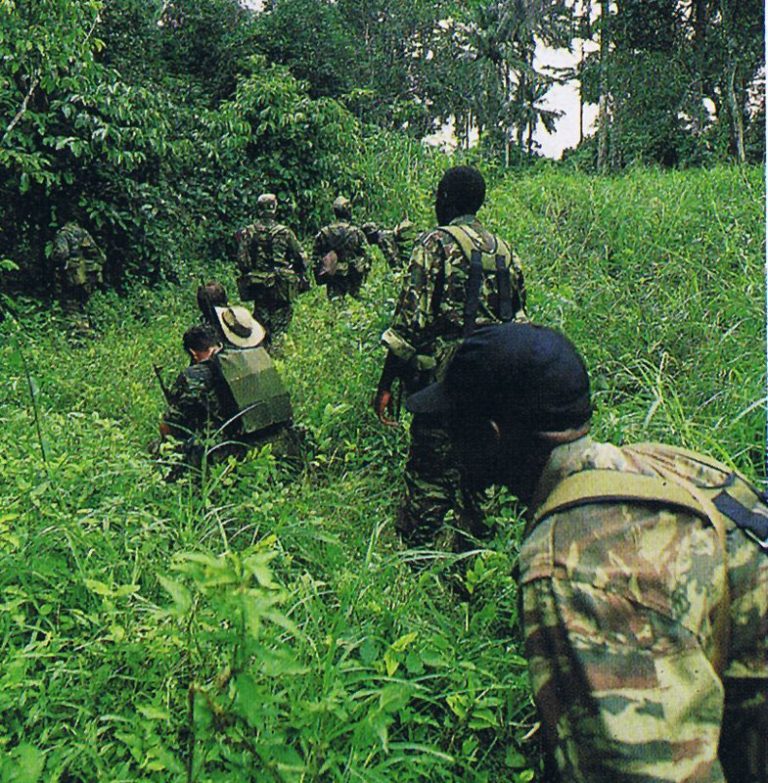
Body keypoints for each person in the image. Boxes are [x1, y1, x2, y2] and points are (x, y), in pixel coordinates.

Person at [405, 320, 768, 783]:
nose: (449, 443)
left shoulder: (567, 564)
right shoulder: (659, 464)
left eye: (454, 426)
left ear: (488, 436)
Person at [373, 165, 527, 549]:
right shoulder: (505, 251)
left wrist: (385, 383)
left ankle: (417, 561)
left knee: (429, 477)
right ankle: (470, 564)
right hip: (494, 381)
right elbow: (521, 321)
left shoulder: (434, 244)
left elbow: (409, 323)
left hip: (443, 382)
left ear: (446, 199)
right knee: (479, 477)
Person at [158, 320, 300, 479]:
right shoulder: (251, 357)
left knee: (159, 448)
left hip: (230, 448)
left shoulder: (193, 376)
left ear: (193, 352)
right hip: (278, 436)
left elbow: (172, 424)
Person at [236, 193, 309, 345]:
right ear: (274, 209)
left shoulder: (249, 232)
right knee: (281, 319)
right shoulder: (284, 232)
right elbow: (302, 258)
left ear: (259, 210)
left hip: (258, 284)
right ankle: (278, 351)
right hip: (281, 284)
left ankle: (262, 349)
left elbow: (242, 262)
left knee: (260, 320)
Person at [312, 196, 369, 300]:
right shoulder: (356, 233)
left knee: (335, 305)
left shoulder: (324, 233)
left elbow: (315, 256)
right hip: (352, 276)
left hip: (333, 276)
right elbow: (365, 255)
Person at [52, 221, 106, 326]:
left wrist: (54, 258)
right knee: (82, 305)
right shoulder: (83, 233)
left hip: (71, 277)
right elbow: (100, 256)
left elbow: (62, 253)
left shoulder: (63, 234)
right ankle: (87, 328)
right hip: (87, 277)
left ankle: (77, 333)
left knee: (70, 306)